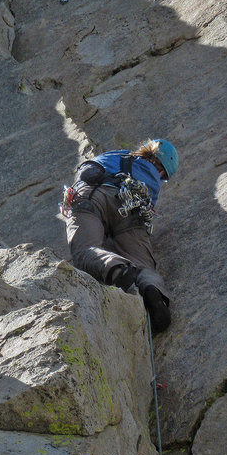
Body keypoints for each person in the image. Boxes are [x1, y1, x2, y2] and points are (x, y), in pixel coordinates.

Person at [63, 139, 178, 333]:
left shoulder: (117, 155)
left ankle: (117, 270)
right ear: (161, 171)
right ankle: (152, 289)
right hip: (133, 213)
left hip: (94, 197)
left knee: (85, 250)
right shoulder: (153, 184)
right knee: (144, 264)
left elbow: (87, 168)